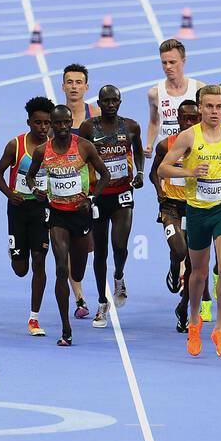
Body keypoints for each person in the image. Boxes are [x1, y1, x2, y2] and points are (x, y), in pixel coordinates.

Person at [160, 85, 221, 357]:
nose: (214, 112)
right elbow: (162, 169)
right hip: (197, 211)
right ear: (201, 107)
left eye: (219, 107)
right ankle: (194, 321)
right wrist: (190, 172)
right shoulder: (189, 137)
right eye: (209, 107)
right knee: (198, 273)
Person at [25, 104, 110, 346]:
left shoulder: (83, 146)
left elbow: (105, 175)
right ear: (51, 124)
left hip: (81, 215)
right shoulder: (43, 151)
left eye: (66, 123)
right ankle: (66, 329)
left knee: (77, 271)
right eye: (58, 123)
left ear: (70, 122)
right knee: (61, 268)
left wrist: (92, 198)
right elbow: (31, 175)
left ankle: (76, 293)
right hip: (57, 215)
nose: (62, 127)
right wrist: (35, 190)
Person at [79, 85, 144, 327]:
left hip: (122, 193)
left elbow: (138, 152)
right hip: (98, 195)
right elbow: (81, 156)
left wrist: (139, 173)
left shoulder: (131, 126)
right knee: (100, 251)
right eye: (105, 101)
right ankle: (101, 302)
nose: (109, 104)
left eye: (113, 100)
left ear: (120, 101)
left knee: (120, 245)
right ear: (100, 102)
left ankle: (119, 275)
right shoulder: (88, 127)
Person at [0, 96, 54, 336]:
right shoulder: (15, 145)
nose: (43, 128)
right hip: (17, 208)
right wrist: (9, 194)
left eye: (47, 123)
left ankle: (34, 318)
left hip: (42, 209)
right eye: (38, 123)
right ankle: (15, 250)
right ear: (29, 122)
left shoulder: (55, 146)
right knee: (21, 269)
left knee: (40, 261)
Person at [150, 99, 206, 333]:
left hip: (196, 208)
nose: (190, 122)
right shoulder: (166, 145)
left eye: (195, 118)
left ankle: (183, 308)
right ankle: (175, 266)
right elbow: (155, 173)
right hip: (171, 207)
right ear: (179, 119)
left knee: (194, 263)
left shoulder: (207, 146)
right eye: (186, 118)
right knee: (181, 251)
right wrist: (160, 193)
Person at [60, 63, 95, 315]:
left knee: (88, 246)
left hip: (91, 190)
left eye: (78, 82)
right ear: (63, 86)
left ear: (86, 86)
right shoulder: (55, 118)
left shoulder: (95, 114)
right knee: (68, 244)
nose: (74, 87)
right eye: (69, 82)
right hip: (62, 191)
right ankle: (79, 297)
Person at [145, 39, 207, 156]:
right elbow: (154, 121)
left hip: (195, 153)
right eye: (164, 62)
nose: (168, 67)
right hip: (168, 153)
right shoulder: (154, 93)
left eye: (172, 62)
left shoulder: (200, 89)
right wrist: (149, 144)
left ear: (183, 61)